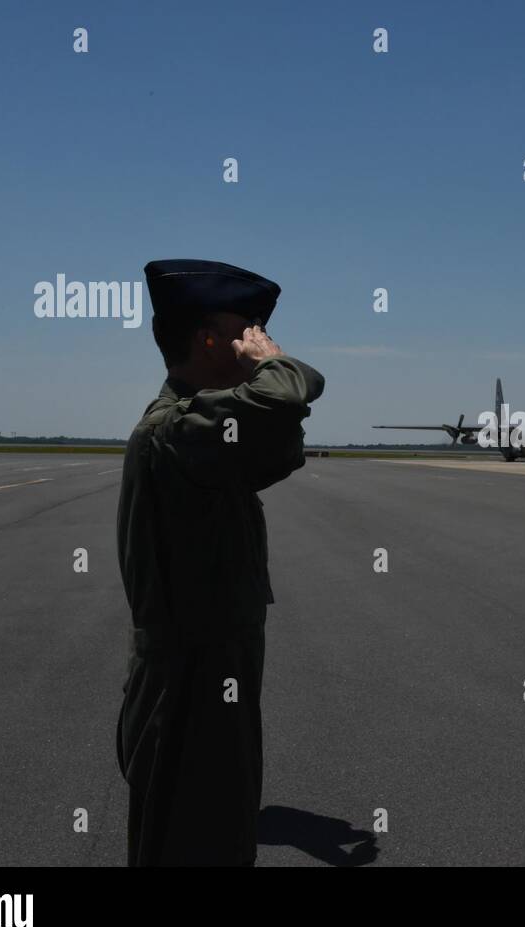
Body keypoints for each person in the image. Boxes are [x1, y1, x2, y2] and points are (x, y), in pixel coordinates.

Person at [115, 259, 324, 865]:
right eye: (246, 327)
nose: (256, 338)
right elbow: (290, 388)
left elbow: (280, 438)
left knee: (219, 838)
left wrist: (274, 378)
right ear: (208, 338)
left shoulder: (203, 432)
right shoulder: (178, 431)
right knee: (190, 844)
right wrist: (270, 364)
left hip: (212, 676)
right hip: (188, 686)